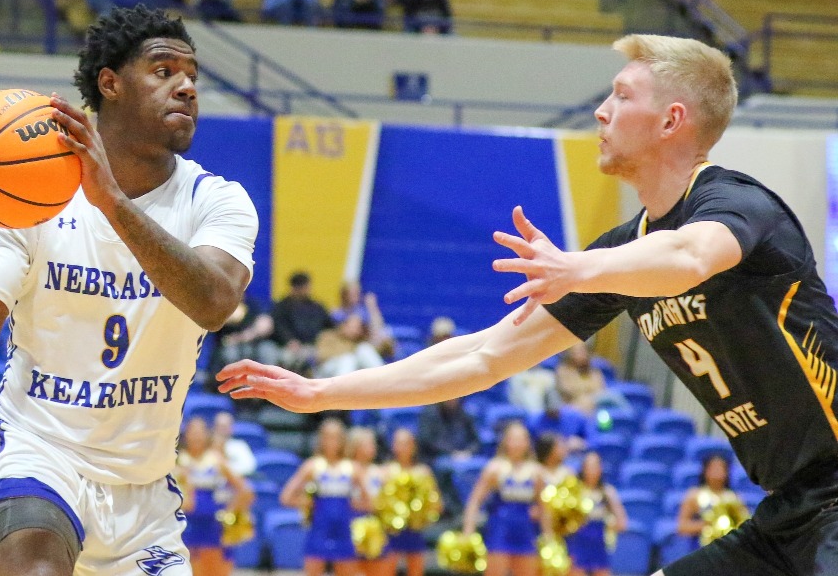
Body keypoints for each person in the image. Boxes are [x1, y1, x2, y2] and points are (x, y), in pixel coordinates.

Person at [219, 33, 838, 575]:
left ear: (672, 120)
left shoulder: (736, 204)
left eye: (622, 95)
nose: (601, 110)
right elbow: (485, 356)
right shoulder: (624, 253)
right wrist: (323, 393)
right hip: (793, 507)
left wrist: (577, 268)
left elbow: (691, 257)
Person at [0, 5, 257, 576]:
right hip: (39, 454)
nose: (186, 86)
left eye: (192, 75)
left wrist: (111, 200)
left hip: (143, 489)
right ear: (109, 82)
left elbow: (212, 303)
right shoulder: (31, 199)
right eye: (163, 71)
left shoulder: (218, 201)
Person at [279, 418, 369, 576]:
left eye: (336, 437)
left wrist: (352, 505)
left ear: (343, 440)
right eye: (327, 436)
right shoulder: (312, 465)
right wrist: (306, 503)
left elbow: (370, 502)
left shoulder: (352, 468)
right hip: (319, 529)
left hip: (343, 530)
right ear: (321, 439)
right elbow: (286, 497)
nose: (332, 441)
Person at [462, 421, 541, 576]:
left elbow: (544, 507)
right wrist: (468, 531)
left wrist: (548, 535)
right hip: (500, 531)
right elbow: (475, 501)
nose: (517, 444)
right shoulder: (494, 468)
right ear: (505, 441)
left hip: (526, 532)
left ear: (527, 442)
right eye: (513, 439)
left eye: (521, 439)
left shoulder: (536, 471)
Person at [177, 416, 253, 576]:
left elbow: (246, 492)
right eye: (193, 432)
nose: (196, 436)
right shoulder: (177, 460)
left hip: (214, 526)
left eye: (200, 432)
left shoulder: (216, 459)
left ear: (207, 435)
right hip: (185, 525)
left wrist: (229, 512)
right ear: (185, 435)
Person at [384, 428, 440, 576]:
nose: (402, 447)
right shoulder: (386, 471)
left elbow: (437, 503)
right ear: (392, 445)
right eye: (398, 443)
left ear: (413, 445)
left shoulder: (423, 471)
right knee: (386, 570)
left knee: (416, 571)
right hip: (390, 530)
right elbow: (378, 502)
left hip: (415, 529)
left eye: (406, 443)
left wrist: (425, 514)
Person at [566, 451, 627, 576]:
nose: (592, 470)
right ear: (582, 468)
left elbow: (622, 523)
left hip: (599, 546)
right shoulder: (574, 491)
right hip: (577, 545)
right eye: (589, 466)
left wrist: (611, 525)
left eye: (595, 466)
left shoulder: (607, 492)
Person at [347, 427, 393, 575]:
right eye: (368, 444)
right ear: (356, 446)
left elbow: (386, 503)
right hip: (350, 526)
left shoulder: (381, 472)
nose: (373, 447)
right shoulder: (346, 469)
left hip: (377, 527)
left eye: (373, 443)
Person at [676, 454, 748, 549]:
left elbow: (744, 524)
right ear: (705, 471)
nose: (717, 472)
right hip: (701, 548)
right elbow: (682, 527)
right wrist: (709, 525)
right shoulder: (694, 495)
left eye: (721, 468)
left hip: (728, 548)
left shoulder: (734, 498)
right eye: (713, 468)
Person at [271, 271, 333, 373]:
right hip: (287, 346)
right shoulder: (282, 307)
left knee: (322, 358)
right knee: (287, 358)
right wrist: (289, 340)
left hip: (313, 346)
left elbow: (328, 326)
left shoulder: (316, 307)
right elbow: (279, 326)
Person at [208, 294, 277, 383]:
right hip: (228, 344)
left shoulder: (252, 305)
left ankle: (265, 384)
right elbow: (216, 332)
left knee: (267, 351)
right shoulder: (222, 307)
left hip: (253, 343)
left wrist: (245, 336)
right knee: (231, 354)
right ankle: (235, 384)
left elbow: (265, 324)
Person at [314, 314, 387, 380]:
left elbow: (387, 350)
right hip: (326, 371)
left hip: (354, 370)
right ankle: (342, 391)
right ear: (344, 325)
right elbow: (321, 356)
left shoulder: (359, 341)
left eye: (357, 328)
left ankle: (382, 379)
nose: (354, 330)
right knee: (348, 359)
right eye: (352, 326)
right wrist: (350, 350)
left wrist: (381, 338)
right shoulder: (328, 335)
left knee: (364, 348)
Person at [332, 281, 394, 357]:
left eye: (357, 293)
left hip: (364, 341)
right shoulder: (337, 313)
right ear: (344, 294)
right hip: (345, 343)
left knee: (384, 333)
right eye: (352, 293)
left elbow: (378, 327)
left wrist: (372, 306)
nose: (356, 296)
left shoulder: (362, 311)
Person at [212, 411, 257, 476]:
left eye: (225, 426)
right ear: (214, 427)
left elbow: (249, 467)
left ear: (231, 428)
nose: (222, 430)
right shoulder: (206, 445)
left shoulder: (239, 445)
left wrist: (225, 468)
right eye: (219, 426)